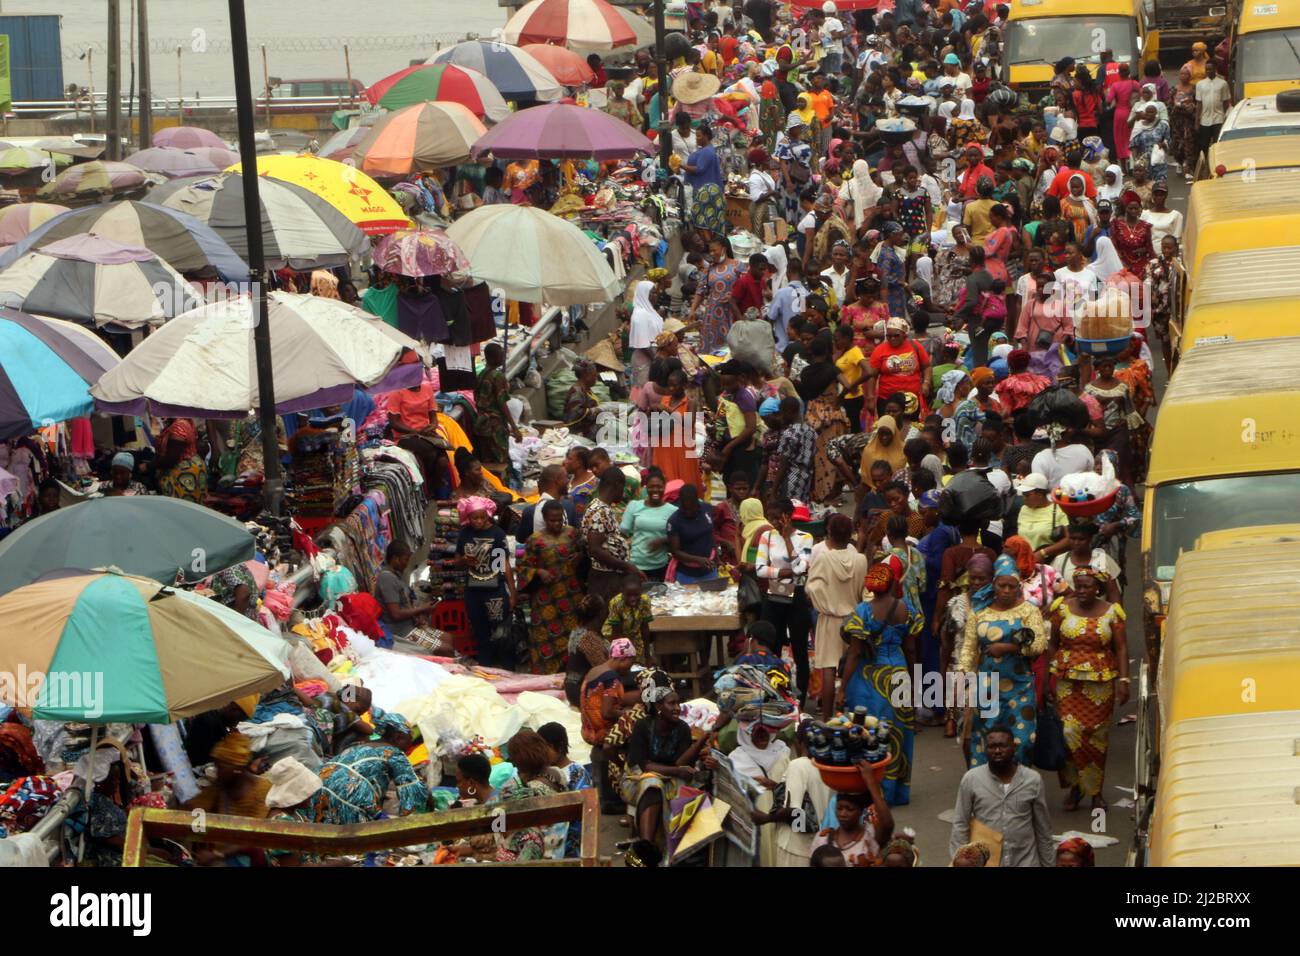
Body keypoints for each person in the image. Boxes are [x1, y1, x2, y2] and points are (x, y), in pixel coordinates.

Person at [840, 561, 922, 805]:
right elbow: (911, 650)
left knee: (869, 733)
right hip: (898, 673)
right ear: (892, 584)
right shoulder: (907, 610)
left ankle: (870, 790)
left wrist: (842, 688)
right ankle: (895, 791)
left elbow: (854, 654)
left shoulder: (863, 612)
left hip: (869, 679)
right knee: (898, 732)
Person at [1049, 566, 1129, 811]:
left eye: (1087, 587)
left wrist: (1125, 681)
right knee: (1069, 733)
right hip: (1067, 682)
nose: (1082, 591)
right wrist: (1045, 684)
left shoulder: (1111, 613)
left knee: (1096, 738)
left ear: (1098, 588)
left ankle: (1095, 792)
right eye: (1079, 586)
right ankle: (1075, 787)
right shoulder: (1061, 609)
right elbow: (1052, 645)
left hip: (1100, 684)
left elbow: (1122, 649)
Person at [959, 554, 1048, 767]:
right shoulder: (979, 612)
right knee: (988, 740)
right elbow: (969, 649)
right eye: (1002, 585)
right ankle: (989, 791)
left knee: (1023, 740)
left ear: (1019, 586)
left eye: (1012, 586)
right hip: (986, 687)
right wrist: (962, 676)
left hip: (1019, 686)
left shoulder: (1029, 611)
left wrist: (1008, 647)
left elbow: (1038, 646)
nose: (1007, 591)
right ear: (994, 585)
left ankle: (1018, 787)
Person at [948, 725, 1055, 866]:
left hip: (1025, 862)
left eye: (1003, 746)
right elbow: (960, 824)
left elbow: (1043, 830)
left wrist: (1049, 864)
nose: (997, 751)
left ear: (1014, 747)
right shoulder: (971, 779)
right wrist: (959, 860)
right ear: (985, 750)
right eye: (992, 747)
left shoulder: (1032, 780)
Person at [311, 713, 428, 824]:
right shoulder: (393, 753)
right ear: (399, 737)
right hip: (347, 808)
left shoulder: (355, 746)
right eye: (409, 739)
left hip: (314, 797)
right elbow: (414, 796)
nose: (409, 745)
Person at [806, 514, 869, 719]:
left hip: (829, 618)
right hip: (853, 619)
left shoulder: (824, 557)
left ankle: (826, 718)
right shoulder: (860, 559)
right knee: (851, 669)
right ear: (850, 535)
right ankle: (846, 715)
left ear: (829, 533)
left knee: (828, 669)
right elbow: (864, 592)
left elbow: (812, 588)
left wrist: (824, 604)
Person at [756, 498, 815, 702]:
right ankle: (775, 693)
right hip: (773, 596)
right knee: (772, 647)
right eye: (770, 517)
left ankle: (801, 697)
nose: (773, 522)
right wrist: (784, 572)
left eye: (777, 517)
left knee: (799, 649)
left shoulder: (805, 537)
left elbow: (801, 568)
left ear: (788, 516)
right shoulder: (766, 536)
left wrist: (788, 538)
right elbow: (760, 569)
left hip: (796, 596)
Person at [518, 499, 585, 674]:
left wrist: (579, 556)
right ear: (545, 519)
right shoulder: (535, 540)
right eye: (551, 520)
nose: (556, 524)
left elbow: (585, 553)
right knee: (544, 638)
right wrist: (539, 571)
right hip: (546, 598)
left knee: (573, 636)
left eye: (559, 520)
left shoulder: (572, 534)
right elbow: (523, 567)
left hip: (571, 596)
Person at [581, 637, 638, 812]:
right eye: (630, 662)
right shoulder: (611, 678)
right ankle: (618, 800)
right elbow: (607, 712)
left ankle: (606, 799)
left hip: (589, 729)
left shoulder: (595, 671)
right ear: (622, 658)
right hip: (603, 731)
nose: (630, 668)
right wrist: (629, 715)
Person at [809, 763, 895, 865]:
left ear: (860, 811)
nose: (843, 813)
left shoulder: (870, 836)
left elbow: (887, 823)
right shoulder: (822, 838)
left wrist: (871, 782)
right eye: (839, 808)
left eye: (850, 809)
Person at [583, 467, 639, 605]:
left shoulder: (603, 508)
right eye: (623, 487)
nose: (623, 492)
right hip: (605, 580)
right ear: (616, 485)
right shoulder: (599, 510)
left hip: (609, 577)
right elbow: (595, 549)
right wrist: (626, 566)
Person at [375, 541, 439, 652]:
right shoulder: (387, 579)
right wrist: (422, 608)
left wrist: (418, 615)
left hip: (409, 625)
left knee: (449, 639)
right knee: (445, 648)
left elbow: (405, 603)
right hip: (401, 631)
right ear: (395, 558)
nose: (406, 564)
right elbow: (396, 614)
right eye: (405, 560)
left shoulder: (395, 575)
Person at [688, 235, 744, 354]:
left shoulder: (738, 265)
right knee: (713, 348)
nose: (712, 253)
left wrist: (734, 296)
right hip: (713, 315)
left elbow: (745, 286)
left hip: (732, 312)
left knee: (733, 345)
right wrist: (692, 310)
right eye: (710, 251)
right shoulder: (708, 269)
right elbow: (700, 290)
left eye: (714, 250)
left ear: (724, 249)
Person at [472, 343, 522, 473]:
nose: (503, 358)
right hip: (495, 425)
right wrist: (514, 427)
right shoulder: (497, 376)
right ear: (493, 357)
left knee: (487, 461)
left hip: (481, 424)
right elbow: (502, 403)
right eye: (501, 355)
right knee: (500, 460)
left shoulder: (481, 374)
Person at [154, 418, 207, 503]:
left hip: (183, 472)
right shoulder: (185, 421)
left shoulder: (178, 426)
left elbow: (173, 457)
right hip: (192, 467)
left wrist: (150, 466)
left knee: (182, 507)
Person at [628, 279, 664, 388]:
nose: (655, 296)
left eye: (656, 293)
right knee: (644, 388)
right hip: (645, 358)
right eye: (652, 293)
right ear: (644, 294)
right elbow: (642, 343)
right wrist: (656, 360)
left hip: (653, 355)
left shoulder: (649, 311)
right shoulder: (640, 314)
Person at [1194, 60, 1231, 166]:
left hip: (1218, 119)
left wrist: (1225, 117)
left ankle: (1218, 164)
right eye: (1207, 69)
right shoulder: (1200, 84)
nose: (1208, 71)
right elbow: (1199, 104)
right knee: (1204, 145)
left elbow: (1225, 102)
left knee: (1217, 144)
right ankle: (1204, 165)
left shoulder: (1222, 84)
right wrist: (1197, 121)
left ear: (1215, 69)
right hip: (1205, 120)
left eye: (1210, 69)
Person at [563, 361, 601, 442]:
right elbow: (574, 414)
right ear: (585, 376)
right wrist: (595, 411)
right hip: (579, 431)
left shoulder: (586, 389)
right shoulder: (576, 392)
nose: (596, 378)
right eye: (594, 375)